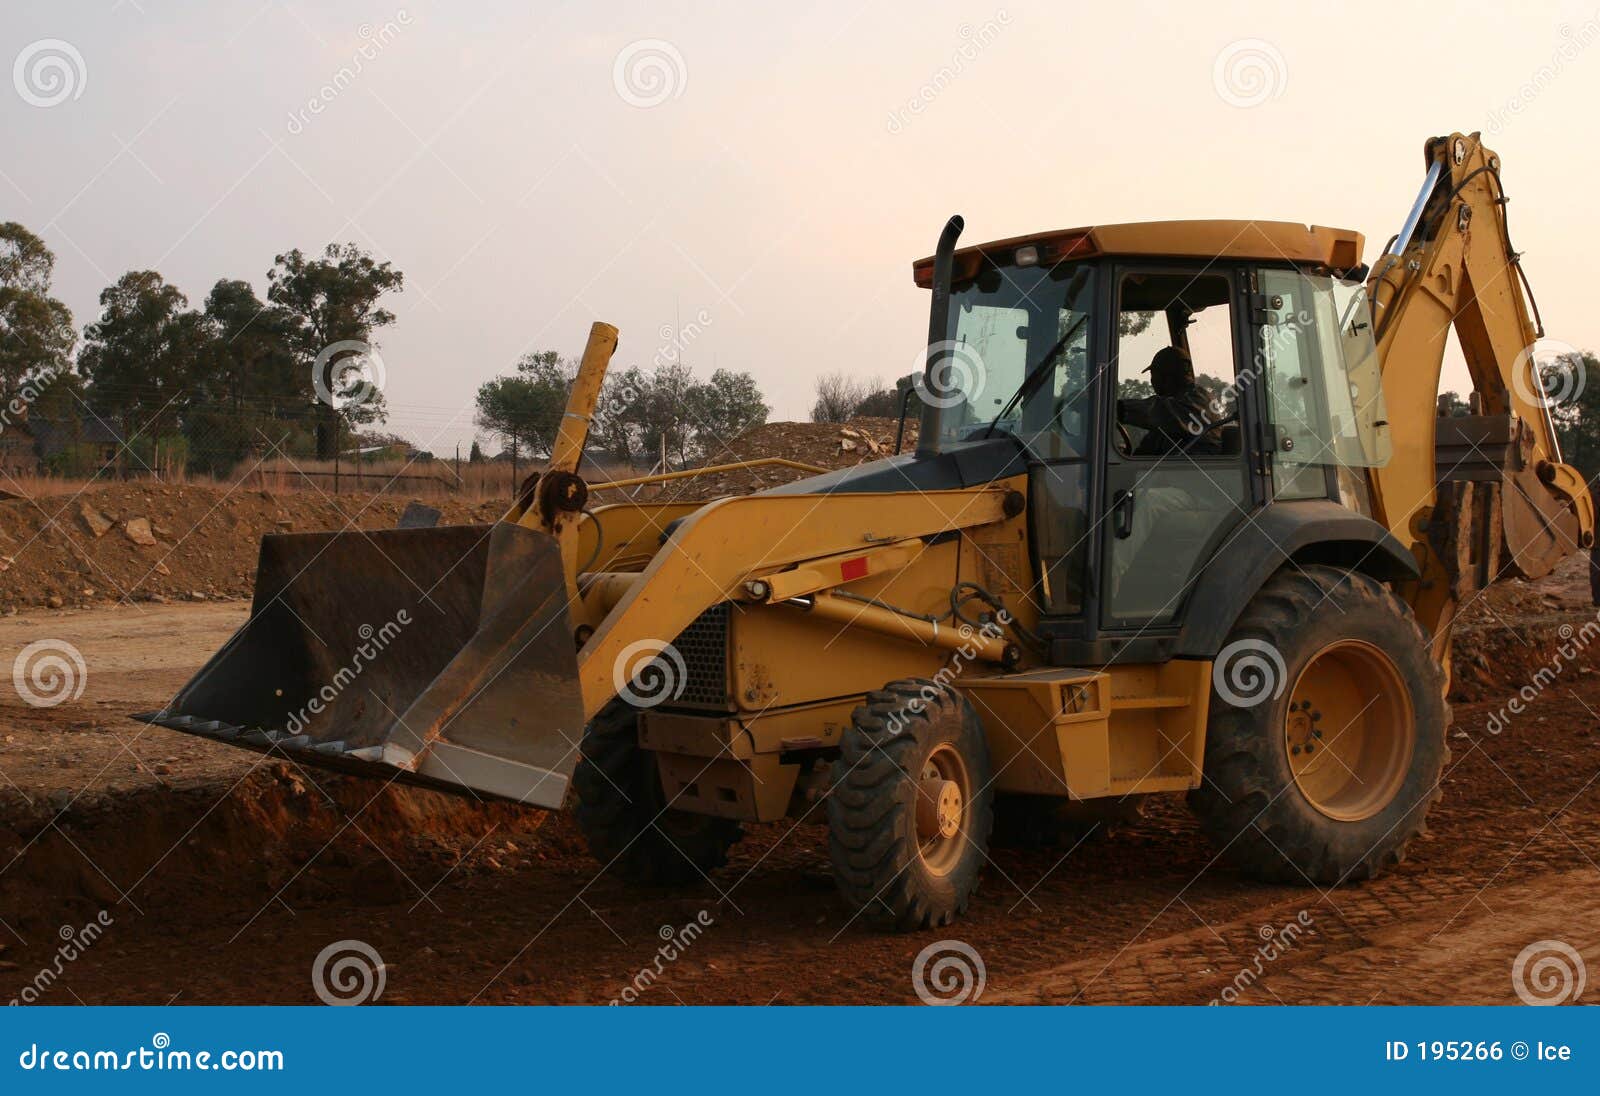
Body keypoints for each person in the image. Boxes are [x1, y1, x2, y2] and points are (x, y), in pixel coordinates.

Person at [1116, 346, 1224, 456]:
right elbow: (1148, 448)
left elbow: (1161, 412)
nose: (1152, 381)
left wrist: (1119, 408)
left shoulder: (1198, 400)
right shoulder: (1168, 419)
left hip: (1194, 470)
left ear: (1169, 376)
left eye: (1154, 374)